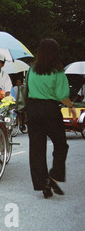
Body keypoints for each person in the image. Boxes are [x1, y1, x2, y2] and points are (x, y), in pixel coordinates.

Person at [26, 38, 77, 199]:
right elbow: (62, 96)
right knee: (61, 145)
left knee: (37, 149)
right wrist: (71, 107)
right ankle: (53, 176)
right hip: (50, 110)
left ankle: (42, 184)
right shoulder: (57, 72)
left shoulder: (31, 70)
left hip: (33, 110)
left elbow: (27, 90)